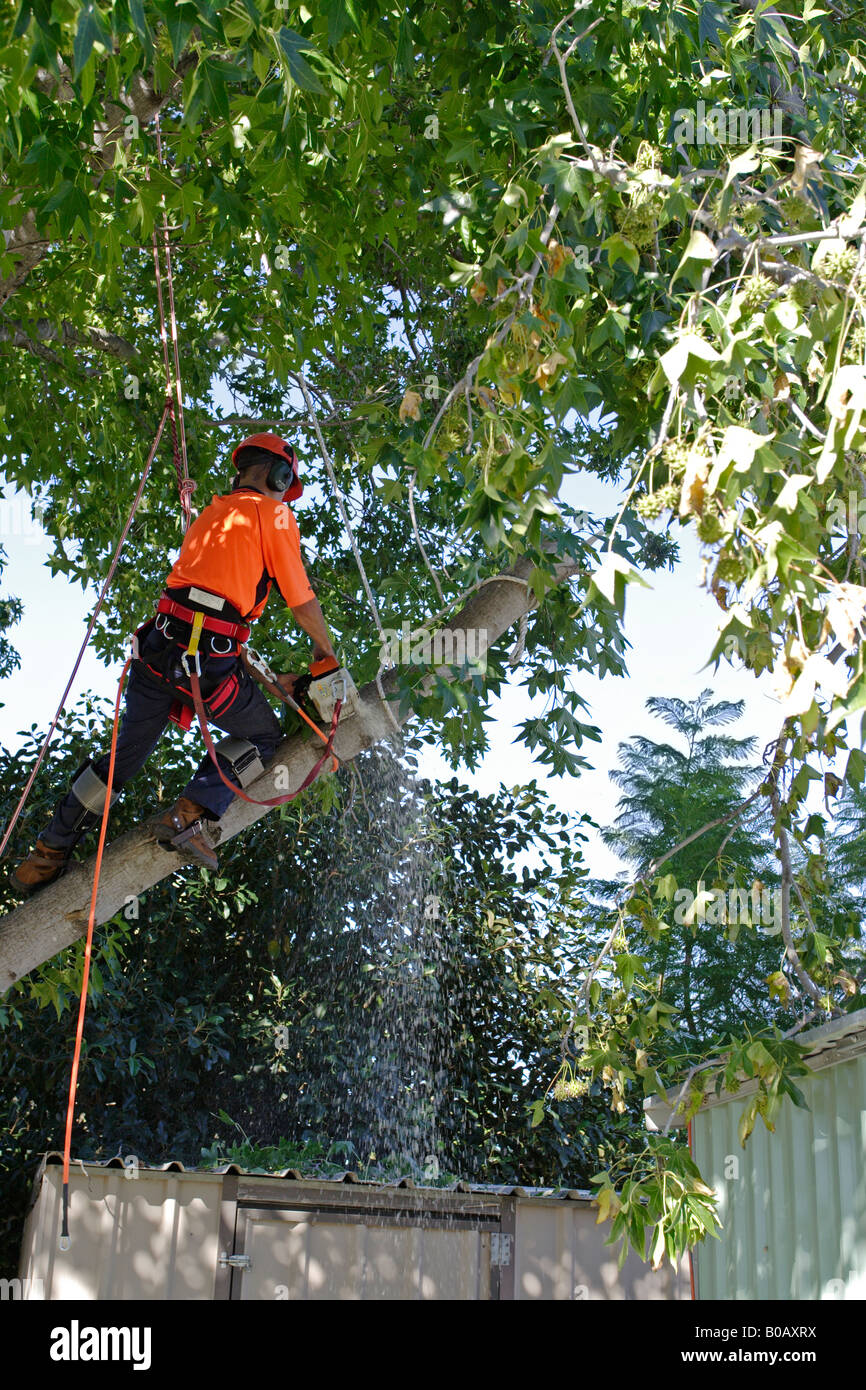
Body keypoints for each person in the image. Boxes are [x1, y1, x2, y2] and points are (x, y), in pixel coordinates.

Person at [11, 434, 337, 894]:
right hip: (207, 661)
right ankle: (186, 816)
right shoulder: (275, 514)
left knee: (122, 760)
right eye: (287, 484)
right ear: (279, 476)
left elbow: (207, 613)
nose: (286, 494)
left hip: (160, 653)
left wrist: (276, 680)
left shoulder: (211, 515)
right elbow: (300, 601)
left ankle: (47, 854)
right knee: (262, 737)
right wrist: (327, 655)